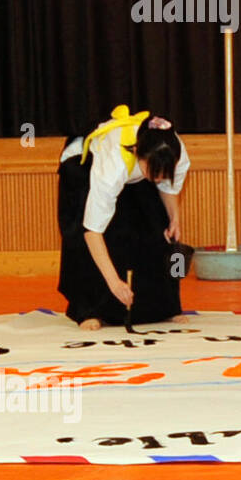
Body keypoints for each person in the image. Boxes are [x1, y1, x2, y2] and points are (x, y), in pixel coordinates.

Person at [57, 105, 189, 329]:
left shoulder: (174, 151)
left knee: (156, 229)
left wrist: (174, 218)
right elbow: (92, 231)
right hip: (83, 165)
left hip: (134, 173)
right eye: (154, 172)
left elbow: (168, 187)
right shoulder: (113, 165)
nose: (159, 178)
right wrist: (114, 283)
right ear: (137, 152)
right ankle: (88, 310)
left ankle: (165, 307)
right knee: (90, 233)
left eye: (163, 173)